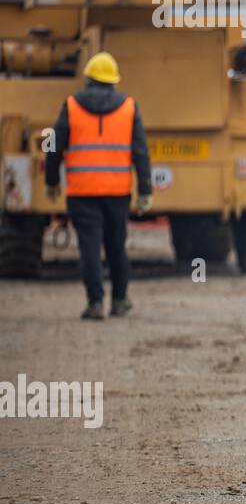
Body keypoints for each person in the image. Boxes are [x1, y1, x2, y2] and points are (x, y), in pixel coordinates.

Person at [45, 52, 152, 320]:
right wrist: (146, 190)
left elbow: (54, 146)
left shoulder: (71, 105)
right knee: (116, 247)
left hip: (82, 193)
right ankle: (119, 301)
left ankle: (95, 303)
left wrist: (52, 181)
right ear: (114, 81)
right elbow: (141, 152)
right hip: (117, 193)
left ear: (88, 79)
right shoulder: (129, 107)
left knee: (90, 248)